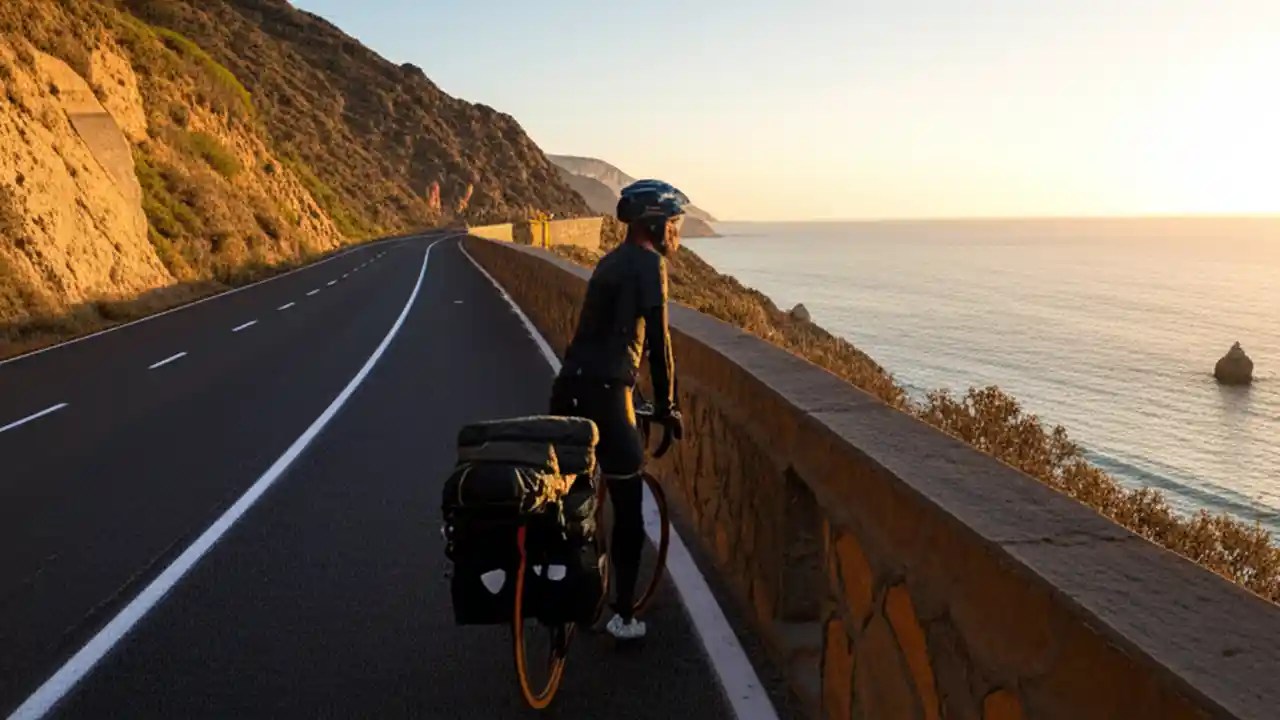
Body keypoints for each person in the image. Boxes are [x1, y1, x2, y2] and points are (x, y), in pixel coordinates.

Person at [548, 179, 688, 641]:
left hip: (568, 386)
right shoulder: (650, 265)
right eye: (674, 224)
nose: (677, 233)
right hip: (609, 396)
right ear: (656, 224)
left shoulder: (607, 263)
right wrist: (667, 407)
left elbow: (597, 335)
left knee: (570, 494)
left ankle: (564, 582)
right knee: (628, 511)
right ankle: (623, 615)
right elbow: (659, 348)